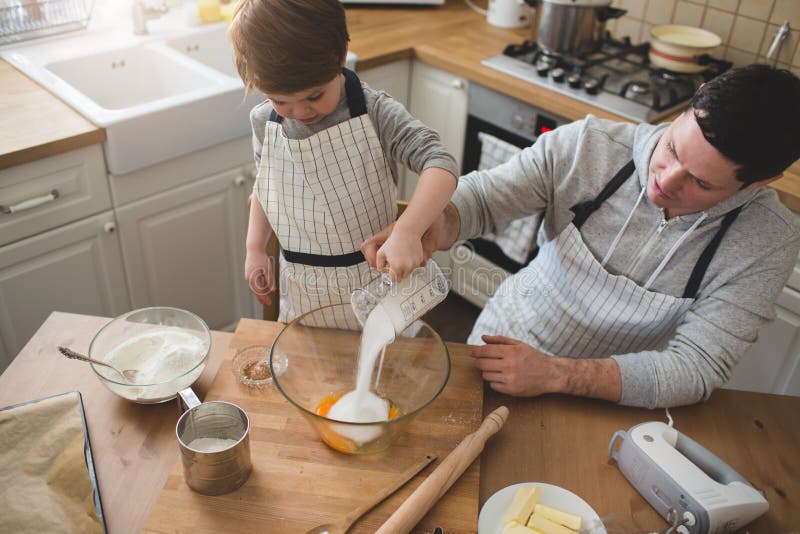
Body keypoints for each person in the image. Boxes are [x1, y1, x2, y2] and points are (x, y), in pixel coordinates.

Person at [364, 64, 800, 408]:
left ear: (761, 182)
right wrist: (431, 226)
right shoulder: (592, 145)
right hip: (500, 344)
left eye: (701, 184)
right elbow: (484, 199)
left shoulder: (765, 241)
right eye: (671, 149)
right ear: (685, 111)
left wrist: (558, 375)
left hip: (610, 399)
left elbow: (697, 367)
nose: (666, 181)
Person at [229, 0, 458, 325]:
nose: (300, 112)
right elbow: (266, 189)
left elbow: (442, 164)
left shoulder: (374, 113)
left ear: (341, 56)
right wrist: (254, 247)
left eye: (314, 96)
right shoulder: (264, 122)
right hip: (303, 297)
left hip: (376, 287)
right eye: (280, 100)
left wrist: (408, 231)